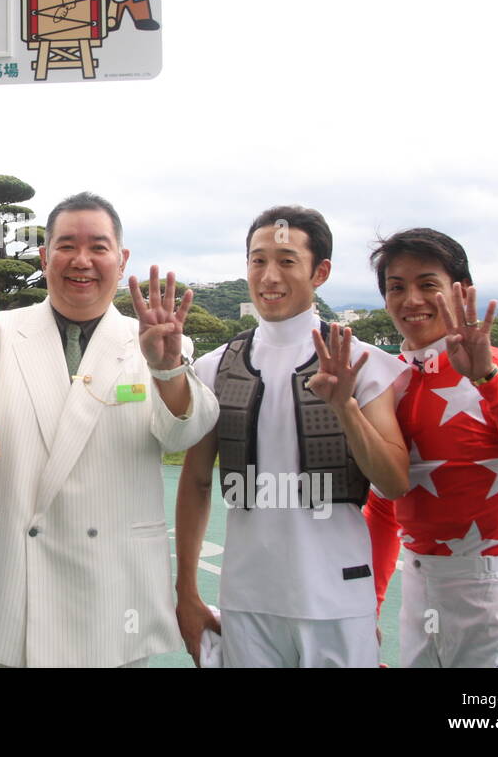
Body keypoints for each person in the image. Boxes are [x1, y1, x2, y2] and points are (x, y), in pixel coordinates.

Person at [0, 191, 219, 667]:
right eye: (66, 245)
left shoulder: (157, 341)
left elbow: (183, 437)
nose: (81, 260)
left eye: (98, 247)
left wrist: (167, 371)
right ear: (45, 257)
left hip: (111, 586)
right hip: (10, 583)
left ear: (121, 259)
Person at [175, 205, 409, 668]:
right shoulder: (213, 366)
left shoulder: (364, 364)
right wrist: (186, 591)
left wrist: (345, 406)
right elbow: (198, 481)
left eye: (286, 260)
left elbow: (395, 481)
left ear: (320, 271)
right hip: (247, 600)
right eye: (257, 260)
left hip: (337, 599)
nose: (268, 276)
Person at [364, 228, 498, 667]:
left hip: (489, 598)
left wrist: (488, 382)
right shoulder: (387, 382)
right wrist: (367, 608)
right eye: (396, 288)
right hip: (418, 595)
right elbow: (386, 506)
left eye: (428, 284)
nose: (411, 301)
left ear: (460, 292)